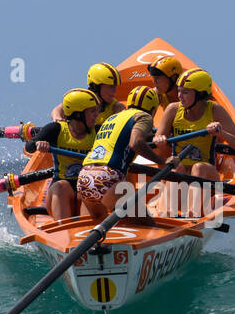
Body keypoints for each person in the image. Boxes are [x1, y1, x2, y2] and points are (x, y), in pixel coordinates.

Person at [153, 68, 235, 215]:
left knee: (199, 167)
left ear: (200, 94)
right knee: (175, 164)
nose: (179, 96)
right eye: (179, 91)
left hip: (207, 178)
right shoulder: (173, 110)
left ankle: (192, 214)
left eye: (185, 92)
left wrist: (221, 132)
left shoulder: (215, 111)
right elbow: (157, 139)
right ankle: (166, 213)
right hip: (180, 175)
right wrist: (159, 139)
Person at [76, 92, 166, 220]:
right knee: (145, 223)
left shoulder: (112, 118)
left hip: (84, 176)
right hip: (108, 178)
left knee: (98, 222)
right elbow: (136, 143)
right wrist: (162, 160)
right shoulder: (144, 117)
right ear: (153, 109)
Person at [25, 89, 101, 219]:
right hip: (61, 193)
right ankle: (63, 230)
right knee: (62, 186)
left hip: (86, 192)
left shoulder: (99, 131)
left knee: (89, 185)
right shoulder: (55, 129)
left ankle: (88, 230)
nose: (96, 115)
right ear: (78, 114)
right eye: (92, 111)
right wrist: (40, 144)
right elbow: (29, 146)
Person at [50, 62, 124, 124]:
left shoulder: (116, 107)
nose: (114, 90)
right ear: (96, 86)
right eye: (110, 86)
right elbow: (57, 110)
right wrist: (58, 118)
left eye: (115, 86)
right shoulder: (81, 98)